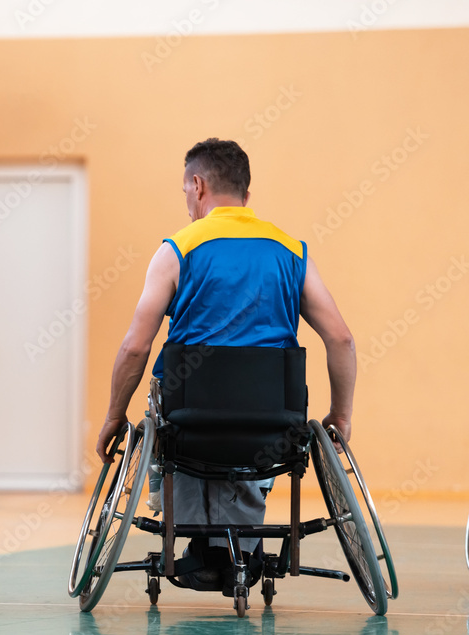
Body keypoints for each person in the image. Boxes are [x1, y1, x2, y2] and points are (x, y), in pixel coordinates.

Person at [94, 137, 356, 589]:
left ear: (197, 186)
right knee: (248, 437)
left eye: (185, 191)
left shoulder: (177, 249)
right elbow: (341, 339)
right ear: (245, 194)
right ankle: (241, 548)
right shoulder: (291, 251)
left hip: (190, 424)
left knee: (175, 421)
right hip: (271, 425)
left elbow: (136, 348)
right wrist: (342, 414)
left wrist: (114, 415)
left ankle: (203, 549)